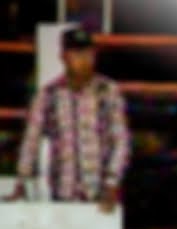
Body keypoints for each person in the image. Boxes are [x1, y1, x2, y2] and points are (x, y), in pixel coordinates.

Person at [6, 28, 129, 213]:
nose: (84, 59)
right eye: (77, 53)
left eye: (89, 53)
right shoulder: (49, 95)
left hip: (101, 197)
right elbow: (31, 139)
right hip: (63, 195)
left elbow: (121, 140)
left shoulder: (107, 91)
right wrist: (22, 181)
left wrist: (111, 182)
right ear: (64, 56)